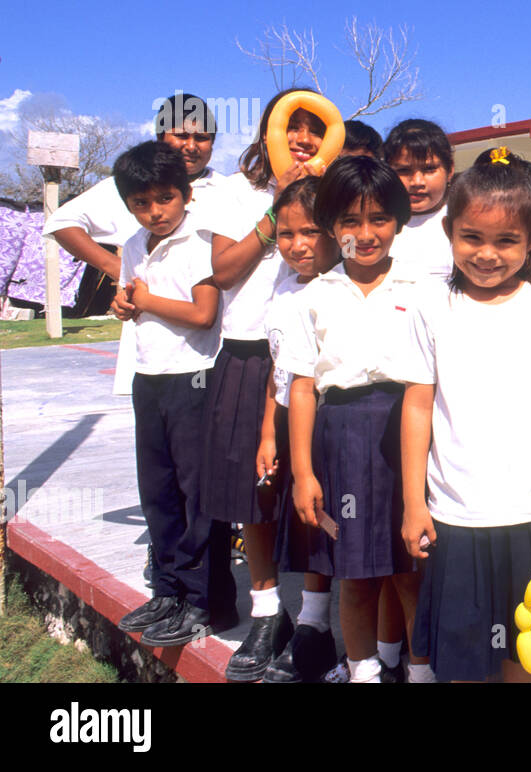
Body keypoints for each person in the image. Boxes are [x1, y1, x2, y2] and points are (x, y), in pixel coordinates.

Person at [397, 148, 531, 683]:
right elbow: (417, 404)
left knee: (527, 651)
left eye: (507, 240)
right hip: (455, 515)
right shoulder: (428, 304)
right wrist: (414, 502)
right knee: (462, 653)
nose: (488, 254)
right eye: (473, 238)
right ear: (449, 231)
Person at [279, 156, 428, 683]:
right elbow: (300, 387)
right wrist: (302, 473)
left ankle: (419, 670)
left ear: (398, 220)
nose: (365, 235)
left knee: (412, 572)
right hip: (340, 437)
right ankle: (361, 670)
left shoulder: (424, 289)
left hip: (409, 434)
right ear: (331, 226)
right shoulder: (311, 298)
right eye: (349, 221)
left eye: (379, 219)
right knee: (355, 574)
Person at [202, 89, 323, 674]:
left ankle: (319, 617)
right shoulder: (235, 190)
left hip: (317, 358)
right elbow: (223, 272)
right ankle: (267, 609)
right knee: (252, 489)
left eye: (313, 129)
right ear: (267, 131)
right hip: (250, 352)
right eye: (291, 126)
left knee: (319, 482)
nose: (302, 139)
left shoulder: (336, 189)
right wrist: (277, 210)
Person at [109, 142, 229, 644]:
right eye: (141, 203)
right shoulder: (135, 244)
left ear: (185, 194)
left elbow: (204, 313)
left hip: (194, 376)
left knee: (197, 495)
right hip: (150, 375)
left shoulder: (202, 241)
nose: (155, 212)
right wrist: (123, 303)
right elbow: (130, 297)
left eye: (164, 198)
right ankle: (168, 590)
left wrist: (146, 301)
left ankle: (208, 603)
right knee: (157, 491)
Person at [44, 93, 227, 395]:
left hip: (207, 355)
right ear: (160, 136)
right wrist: (119, 270)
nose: (191, 146)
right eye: (181, 135)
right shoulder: (132, 184)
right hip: (149, 357)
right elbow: (62, 223)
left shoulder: (228, 189)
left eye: (202, 137)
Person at [252, 176, 343, 683]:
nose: (297, 245)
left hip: (328, 422)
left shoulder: (340, 288)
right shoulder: (282, 287)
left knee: (325, 525)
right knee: (301, 523)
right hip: (289, 419)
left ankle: (316, 625)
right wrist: (269, 432)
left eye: (310, 231)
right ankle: (307, 624)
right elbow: (276, 368)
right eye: (285, 235)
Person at [384, 119, 455, 280]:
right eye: (404, 170)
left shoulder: (466, 222)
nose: (417, 182)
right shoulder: (372, 224)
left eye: (429, 169)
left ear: (449, 170)